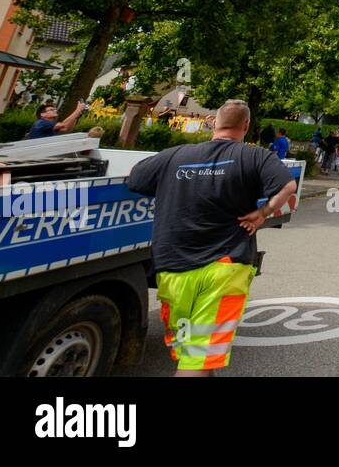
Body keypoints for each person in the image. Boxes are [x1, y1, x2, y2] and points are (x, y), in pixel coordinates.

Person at [126, 99, 297, 376]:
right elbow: (288, 185)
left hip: (172, 270)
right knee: (196, 361)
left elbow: (136, 178)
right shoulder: (254, 156)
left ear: (213, 123)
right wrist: (262, 213)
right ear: (246, 125)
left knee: (191, 355)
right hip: (224, 267)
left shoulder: (175, 155)